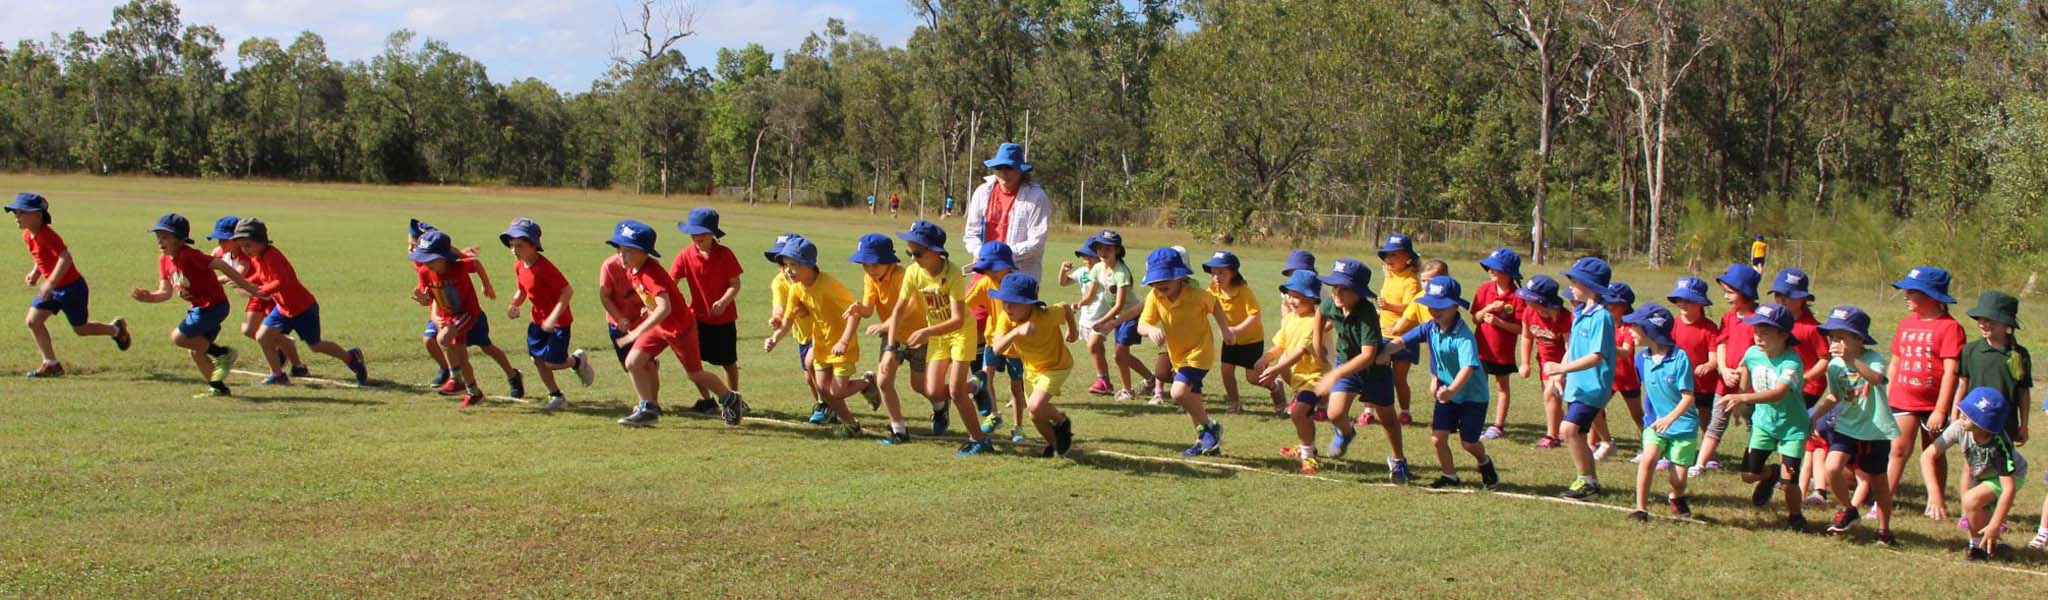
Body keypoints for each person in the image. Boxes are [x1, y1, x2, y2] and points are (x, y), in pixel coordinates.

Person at [609, 220, 745, 428]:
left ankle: (730, 398)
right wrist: (649, 305)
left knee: (695, 374)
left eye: (627, 251)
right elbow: (655, 301)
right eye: (619, 249)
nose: (621, 255)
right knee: (632, 363)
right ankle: (648, 408)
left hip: (679, 328)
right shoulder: (631, 269)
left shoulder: (651, 272)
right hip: (658, 327)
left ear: (645, 253)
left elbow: (666, 308)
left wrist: (637, 331)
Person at [888, 220, 994, 455]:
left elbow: (957, 319)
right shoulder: (914, 272)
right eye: (909, 252)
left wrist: (926, 332)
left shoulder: (953, 273)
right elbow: (899, 309)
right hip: (938, 335)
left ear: (936, 253)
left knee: (956, 392)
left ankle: (980, 440)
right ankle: (976, 386)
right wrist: (890, 346)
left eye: (917, 253)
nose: (913, 259)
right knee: (933, 391)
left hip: (959, 333)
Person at [127, 214, 263, 398]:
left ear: (180, 239)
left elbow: (221, 264)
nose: (160, 241)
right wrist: (149, 297)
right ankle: (219, 388)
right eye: (158, 236)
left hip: (214, 306)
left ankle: (223, 353)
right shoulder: (164, 260)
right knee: (196, 351)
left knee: (179, 337)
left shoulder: (190, 255)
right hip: (199, 308)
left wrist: (247, 286)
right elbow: (164, 292)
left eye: (165, 237)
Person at [1394, 275, 1500, 490]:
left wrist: (1451, 390)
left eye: (1440, 305)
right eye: (1431, 304)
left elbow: (1468, 367)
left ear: (1454, 305)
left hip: (1471, 396)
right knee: (1438, 438)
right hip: (1446, 393)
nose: (1434, 310)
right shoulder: (1430, 327)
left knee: (1469, 442)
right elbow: (1403, 340)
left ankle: (1484, 462)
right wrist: (1383, 352)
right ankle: (1450, 475)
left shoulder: (1463, 335)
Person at [233, 218, 368, 386]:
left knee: (316, 345)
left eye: (248, 245)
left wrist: (262, 291)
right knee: (263, 336)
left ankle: (351, 358)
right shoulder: (257, 257)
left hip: (303, 308)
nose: (245, 250)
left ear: (261, 241)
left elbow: (283, 281)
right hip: (283, 309)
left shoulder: (273, 256)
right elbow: (262, 276)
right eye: (242, 246)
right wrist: (243, 281)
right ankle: (277, 375)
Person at [10, 192, 129, 377]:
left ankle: (115, 329)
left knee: (81, 329)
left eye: (22, 213)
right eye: (16, 213)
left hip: (72, 288)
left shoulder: (47, 235)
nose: (17, 217)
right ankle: (51, 364)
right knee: (33, 321)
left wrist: (50, 282)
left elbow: (65, 258)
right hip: (53, 289)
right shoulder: (28, 235)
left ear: (38, 215)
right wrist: (35, 273)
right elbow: (42, 258)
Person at [1313, 259, 1410, 483]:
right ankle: (1346, 432)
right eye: (1335, 286)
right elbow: (1320, 314)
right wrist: (1318, 342)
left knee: (1387, 419)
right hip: (1347, 366)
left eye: (1345, 288)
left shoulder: (1366, 313)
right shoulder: (1332, 304)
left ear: (1359, 292)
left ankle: (1398, 460)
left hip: (1375, 370)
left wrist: (1335, 374)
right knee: (1334, 413)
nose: (1337, 292)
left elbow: (1368, 355)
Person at [768, 237, 875, 437]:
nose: (788, 270)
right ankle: (851, 425)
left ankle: (867, 383)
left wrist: (844, 341)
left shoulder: (830, 285)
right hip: (821, 345)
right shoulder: (796, 288)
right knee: (825, 391)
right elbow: (789, 319)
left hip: (843, 343)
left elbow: (855, 312)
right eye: (786, 265)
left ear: (809, 265)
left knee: (837, 392)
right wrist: (775, 337)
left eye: (794, 265)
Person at [1136, 247, 1235, 457]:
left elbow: (1215, 305)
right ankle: (1204, 442)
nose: (1159, 286)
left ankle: (1210, 427)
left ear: (1180, 276)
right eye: (1155, 282)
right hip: (1178, 356)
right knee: (1193, 399)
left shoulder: (1196, 295)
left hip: (1200, 353)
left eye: (1165, 281)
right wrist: (1151, 329)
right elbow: (1142, 325)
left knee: (1178, 393)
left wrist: (1225, 330)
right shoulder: (1155, 297)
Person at [1811, 306, 1898, 544]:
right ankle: (1849, 509)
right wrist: (1814, 416)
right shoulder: (1834, 366)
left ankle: (1884, 530)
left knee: (1879, 483)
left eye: (1841, 337)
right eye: (1831, 337)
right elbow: (1835, 396)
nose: (1834, 343)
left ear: (1859, 339)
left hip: (1874, 430)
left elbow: (1877, 379)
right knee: (1831, 467)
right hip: (1847, 426)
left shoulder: (1873, 359)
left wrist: (1852, 359)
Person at [409, 220, 524, 398]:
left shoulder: (457, 267)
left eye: (429, 258)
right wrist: (423, 300)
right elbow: (428, 297)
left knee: (487, 348)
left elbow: (476, 264)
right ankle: (472, 391)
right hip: (451, 319)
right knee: (461, 356)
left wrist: (487, 286)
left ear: (443, 256)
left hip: (471, 315)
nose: (425, 263)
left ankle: (512, 375)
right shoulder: (425, 272)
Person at [1885, 266, 1964, 515]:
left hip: (1933, 403)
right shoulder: (1906, 323)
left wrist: (1941, 409)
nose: (1905, 295)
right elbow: (1896, 361)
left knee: (1934, 452)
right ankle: (1883, 499)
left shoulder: (1950, 327)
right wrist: (1887, 393)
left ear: (1931, 295)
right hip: (1903, 398)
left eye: (1912, 291)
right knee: (1898, 449)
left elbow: (1951, 371)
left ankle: (1936, 502)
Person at [1727, 302, 1812, 528]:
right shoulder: (1753, 353)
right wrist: (1740, 396)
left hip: (1792, 427)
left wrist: (1742, 399)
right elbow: (1746, 369)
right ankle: (1769, 474)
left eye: (1765, 332)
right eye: (1756, 331)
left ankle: (1795, 516)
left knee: (1789, 481)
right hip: (1764, 424)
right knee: (1748, 474)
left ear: (1783, 334)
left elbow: (1778, 393)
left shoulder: (1791, 361)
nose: (1758, 336)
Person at [501, 218, 594, 413]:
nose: (514, 250)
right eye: (511, 245)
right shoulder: (519, 266)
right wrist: (514, 304)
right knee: (537, 360)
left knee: (552, 362)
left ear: (533, 246)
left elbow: (567, 292)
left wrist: (553, 317)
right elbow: (522, 290)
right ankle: (556, 396)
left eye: (519, 245)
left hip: (559, 322)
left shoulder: (545, 268)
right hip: (537, 321)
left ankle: (577, 361)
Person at [1923, 388, 2025, 561]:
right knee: (1976, 508)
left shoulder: (1998, 445)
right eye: (1963, 411)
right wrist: (1934, 494)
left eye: (1969, 415)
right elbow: (1927, 456)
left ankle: (1977, 548)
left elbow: (2008, 489)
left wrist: (1995, 525)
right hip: (1983, 474)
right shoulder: (1958, 428)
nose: (1962, 416)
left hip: (2012, 476)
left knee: (1971, 500)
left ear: (1985, 424)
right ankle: (1988, 546)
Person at [1546, 258, 1615, 500]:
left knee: (1568, 430)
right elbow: (1574, 348)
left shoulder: (1601, 318)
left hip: (1593, 386)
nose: (1571, 286)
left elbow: (1597, 357)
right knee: (1577, 433)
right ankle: (1590, 482)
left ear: (1591, 286)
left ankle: (1585, 480)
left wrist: (1559, 368)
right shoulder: (1579, 312)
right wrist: (1562, 372)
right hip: (1577, 384)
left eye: (1575, 281)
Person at [1622, 304, 1699, 521]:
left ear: (1650, 329)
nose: (1629, 330)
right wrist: (1654, 417)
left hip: (1683, 426)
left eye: (1634, 326)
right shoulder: (1641, 359)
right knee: (1648, 459)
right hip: (1655, 424)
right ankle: (1640, 509)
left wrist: (1671, 418)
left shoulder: (1680, 358)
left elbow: (1688, 397)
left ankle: (1675, 497)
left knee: (1678, 481)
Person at [988, 273, 1079, 457]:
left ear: (1029, 302)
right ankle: (1055, 444)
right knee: (1035, 415)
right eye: (1004, 301)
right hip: (1031, 371)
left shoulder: (1047, 315)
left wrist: (1073, 329)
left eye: (1013, 302)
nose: (1007, 307)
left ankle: (1061, 421)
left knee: (1035, 406)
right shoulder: (1006, 319)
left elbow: (1066, 308)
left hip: (1056, 366)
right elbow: (997, 348)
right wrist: (1016, 332)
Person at [849, 233, 926, 444]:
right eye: (864, 265)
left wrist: (885, 324)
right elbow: (868, 309)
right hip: (892, 337)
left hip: (919, 336)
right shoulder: (870, 279)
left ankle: (940, 406)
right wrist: (859, 308)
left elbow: (910, 307)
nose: (869, 270)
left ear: (887, 261)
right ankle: (899, 430)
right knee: (883, 380)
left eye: (873, 265)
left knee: (921, 387)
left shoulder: (903, 276)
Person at [212, 216, 306, 378]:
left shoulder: (247, 254)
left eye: (224, 240)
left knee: (264, 332)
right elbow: (211, 258)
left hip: (267, 294)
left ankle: (296, 364)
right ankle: (284, 349)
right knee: (249, 330)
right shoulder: (223, 251)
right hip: (255, 295)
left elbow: (238, 274)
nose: (220, 244)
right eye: (218, 240)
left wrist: (213, 281)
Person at [670, 208, 744, 413]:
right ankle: (707, 400)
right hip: (696, 319)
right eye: (693, 233)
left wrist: (723, 301)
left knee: (728, 362)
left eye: (701, 233)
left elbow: (735, 284)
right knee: (693, 364)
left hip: (724, 318)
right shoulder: (685, 255)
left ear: (713, 233)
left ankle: (734, 399)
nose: (696, 237)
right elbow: (670, 283)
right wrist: (676, 306)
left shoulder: (725, 254)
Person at [1696, 264, 1762, 474]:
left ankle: (1753, 465)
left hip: (1750, 387)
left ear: (1746, 292)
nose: (1725, 296)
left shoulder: (1760, 319)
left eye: (1730, 292)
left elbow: (1758, 352)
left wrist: (1743, 379)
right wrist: (1723, 369)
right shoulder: (1729, 317)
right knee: (1716, 424)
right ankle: (1699, 465)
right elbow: (1720, 343)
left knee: (1754, 426)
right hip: (1724, 382)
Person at [1266, 271, 1331, 474]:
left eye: (1297, 296)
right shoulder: (1289, 319)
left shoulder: (1315, 322)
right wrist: (1263, 359)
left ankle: (1308, 456)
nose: (1291, 300)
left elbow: (1300, 351)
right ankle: (1305, 446)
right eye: (1289, 295)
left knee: (1299, 412)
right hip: (1299, 378)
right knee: (1300, 415)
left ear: (1312, 298)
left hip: (1316, 378)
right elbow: (1280, 345)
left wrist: (1276, 368)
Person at [962, 142, 1052, 282]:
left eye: (1009, 168)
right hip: (985, 272)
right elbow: (971, 233)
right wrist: (979, 252)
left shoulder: (1036, 197)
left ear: (1020, 170)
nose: (1003, 173)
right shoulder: (982, 192)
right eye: (999, 168)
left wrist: (1001, 256)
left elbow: (1036, 242)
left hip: (1020, 276)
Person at [764, 234, 829, 424]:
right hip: (802, 335)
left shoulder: (809, 278)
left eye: (789, 263)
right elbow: (780, 306)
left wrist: (802, 311)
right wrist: (777, 318)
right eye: (781, 264)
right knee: (809, 377)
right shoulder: (779, 282)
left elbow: (813, 310)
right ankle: (824, 402)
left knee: (818, 371)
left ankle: (826, 406)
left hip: (823, 332)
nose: (785, 270)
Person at [966, 241, 1027, 440]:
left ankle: (1018, 426)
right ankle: (993, 415)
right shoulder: (984, 283)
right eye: (986, 268)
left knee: (1016, 386)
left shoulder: (1019, 283)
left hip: (1015, 346)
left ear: (1006, 265)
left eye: (993, 267)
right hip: (992, 341)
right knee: (986, 377)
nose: (989, 272)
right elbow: (966, 303)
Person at [1665, 277, 1724, 478]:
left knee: (1705, 419)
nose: (1682, 304)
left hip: (1704, 384)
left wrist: (1708, 365)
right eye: (1679, 300)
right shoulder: (1672, 325)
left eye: (1688, 301)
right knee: (1675, 416)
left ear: (1700, 304)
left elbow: (1715, 357)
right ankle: (1669, 452)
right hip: (1679, 384)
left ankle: (1710, 455)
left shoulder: (1709, 328)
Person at [1203, 251, 1265, 415]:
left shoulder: (1243, 290)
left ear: (1233, 273)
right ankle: (1235, 403)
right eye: (1214, 272)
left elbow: (1255, 315)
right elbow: (1201, 305)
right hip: (1230, 339)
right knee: (1226, 370)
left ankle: (1275, 385)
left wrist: (1236, 330)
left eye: (1222, 273)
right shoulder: (1212, 290)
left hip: (1251, 339)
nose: (1217, 277)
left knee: (1252, 378)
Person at [1473, 248, 1524, 441]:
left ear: (1509, 271)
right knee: (1478, 386)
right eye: (1490, 267)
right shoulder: (1484, 290)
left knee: (1502, 386)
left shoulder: (1518, 296)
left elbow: (1521, 329)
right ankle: (1476, 421)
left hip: (1502, 352)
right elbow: (1475, 319)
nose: (1491, 270)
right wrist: (1487, 309)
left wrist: (1499, 323)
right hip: (1480, 349)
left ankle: (1498, 425)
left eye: (1496, 268)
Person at [1517, 275, 1572, 449]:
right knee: (1551, 398)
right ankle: (1559, 432)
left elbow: (1571, 347)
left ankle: (1553, 435)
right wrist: (1525, 363)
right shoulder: (1529, 312)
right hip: (1545, 364)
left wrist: (1561, 370)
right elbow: (1526, 336)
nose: (1526, 301)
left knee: (1556, 396)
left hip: (1567, 364)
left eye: (1529, 299)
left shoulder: (1565, 318)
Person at [1375, 234, 1422, 426]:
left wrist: (1388, 306)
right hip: (1383, 334)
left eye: (1394, 255)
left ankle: (1404, 411)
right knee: (1376, 376)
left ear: (1407, 257)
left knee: (1399, 378)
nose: (1389, 260)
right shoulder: (1389, 277)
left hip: (1405, 337)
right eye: (1387, 255)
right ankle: (1370, 410)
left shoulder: (1411, 281)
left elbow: (1410, 308)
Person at [1059, 242, 1115, 397]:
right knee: (1098, 350)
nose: (1087, 260)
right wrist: (1063, 271)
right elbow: (1064, 282)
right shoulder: (1083, 272)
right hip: (1087, 318)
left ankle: (1102, 380)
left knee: (1093, 346)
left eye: (1091, 257)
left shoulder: (1104, 272)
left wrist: (1077, 305)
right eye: (1085, 257)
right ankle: (1106, 382)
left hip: (1103, 316)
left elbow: (1091, 296)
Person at [1594, 282, 1638, 462]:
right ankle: (1602, 443)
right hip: (1608, 377)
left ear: (1624, 306)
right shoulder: (1605, 323)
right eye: (1607, 303)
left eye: (1613, 304)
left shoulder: (1630, 327)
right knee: (1594, 409)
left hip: (1627, 377)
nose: (1608, 307)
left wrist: (1606, 346)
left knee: (1637, 415)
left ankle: (1648, 447)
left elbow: (1626, 351)